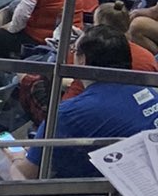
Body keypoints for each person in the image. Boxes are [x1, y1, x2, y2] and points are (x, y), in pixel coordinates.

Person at [11, 29, 158, 178]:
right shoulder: (150, 91)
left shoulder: (68, 114)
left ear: (82, 60)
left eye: (74, 50)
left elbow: (23, 177)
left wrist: (17, 156)